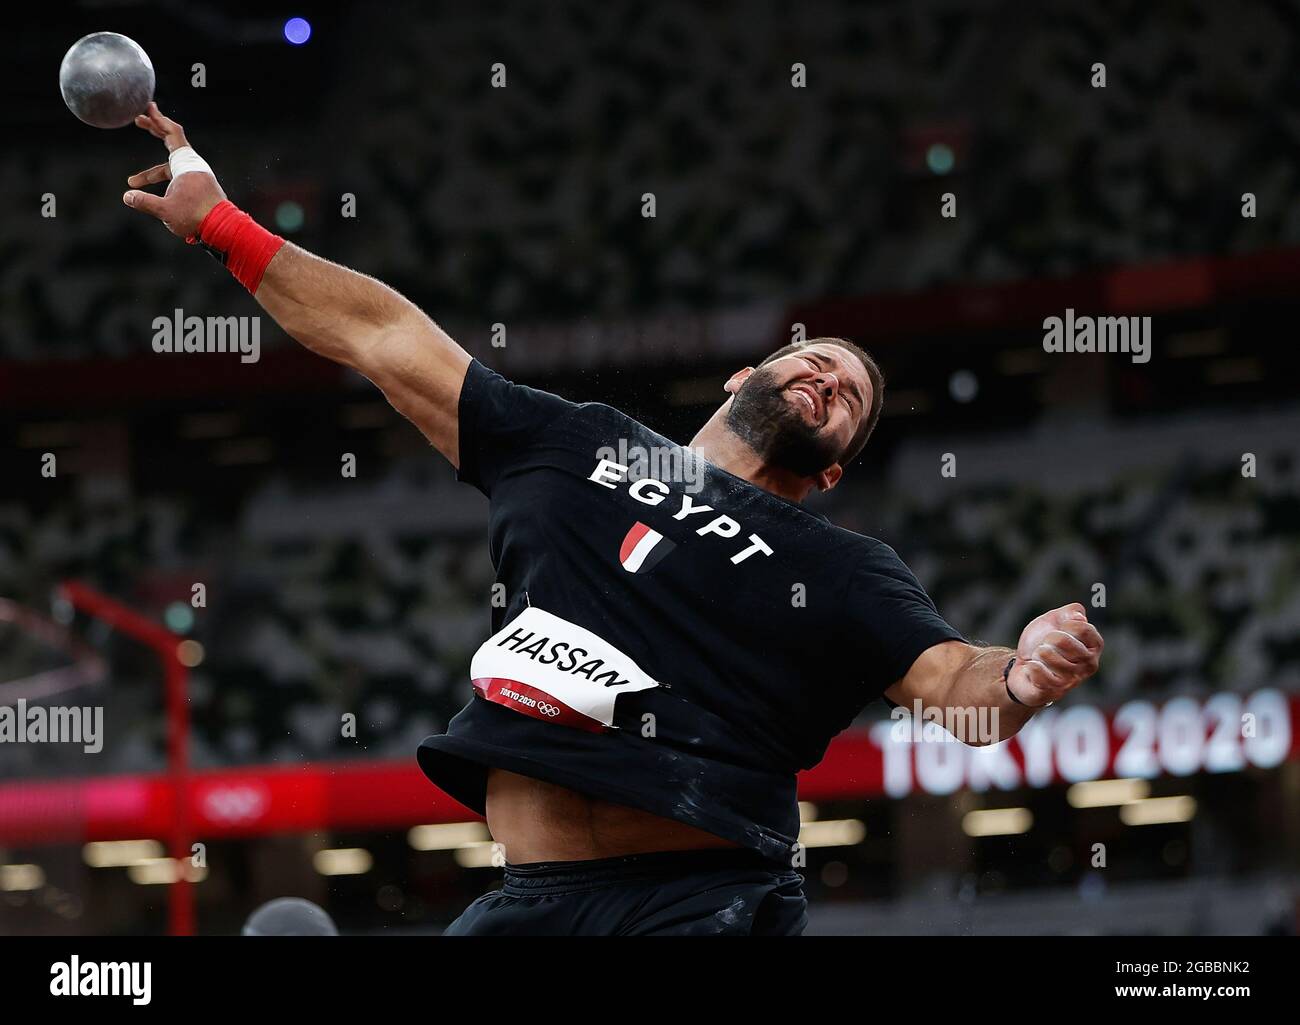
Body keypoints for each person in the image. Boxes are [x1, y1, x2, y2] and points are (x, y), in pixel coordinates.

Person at [122, 102, 1103, 935]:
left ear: (836, 466)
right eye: (815, 356)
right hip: (534, 897)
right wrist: (225, 225)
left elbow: (952, 690)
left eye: (849, 391)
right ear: (741, 376)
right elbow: (383, 336)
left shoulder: (842, 564)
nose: (827, 376)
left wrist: (1017, 673)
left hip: (701, 899)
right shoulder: (581, 443)